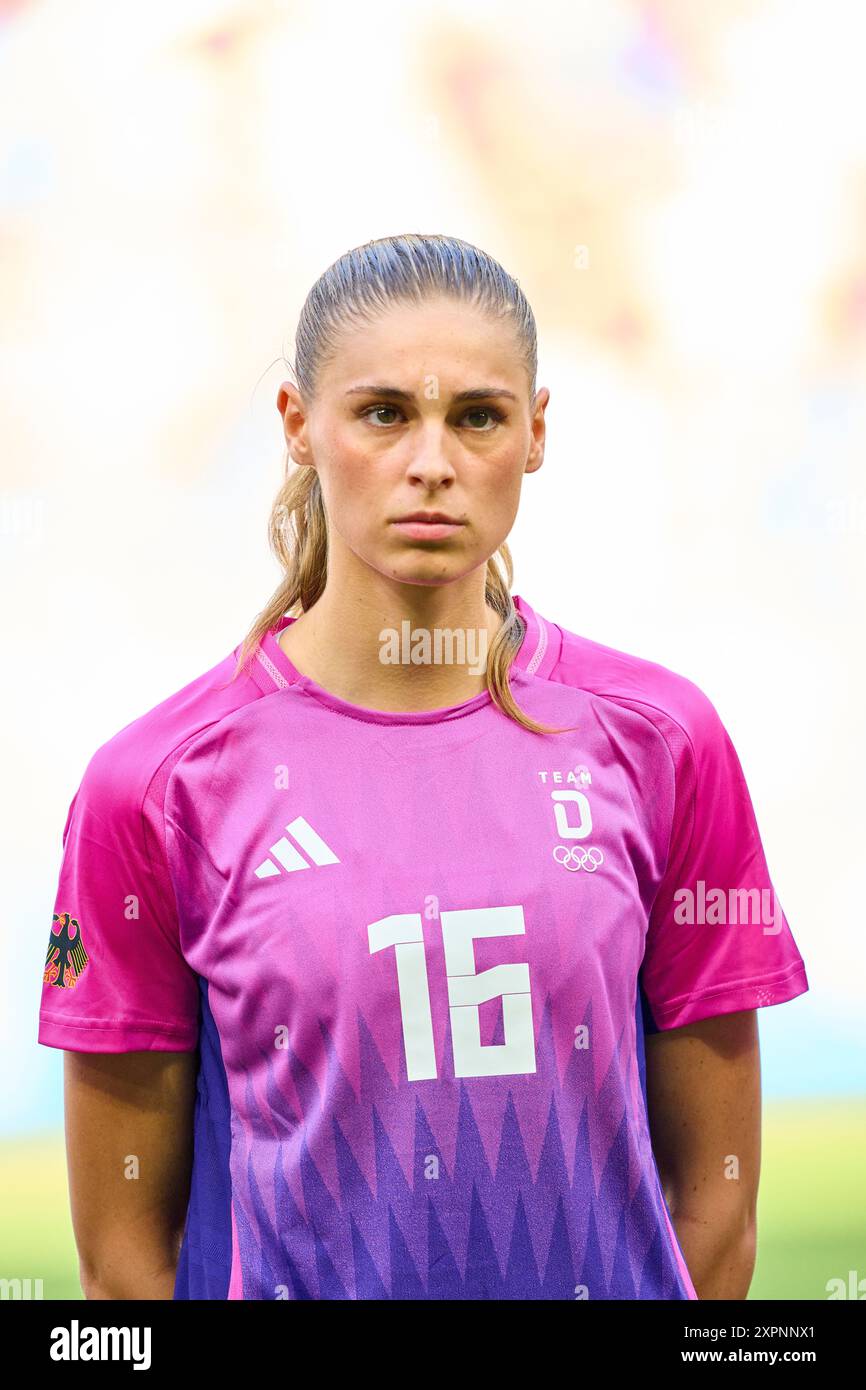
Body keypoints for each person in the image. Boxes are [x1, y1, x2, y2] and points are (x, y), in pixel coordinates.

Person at [37, 233, 808, 1301]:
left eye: (477, 416)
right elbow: (124, 1257)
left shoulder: (662, 740)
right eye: (385, 412)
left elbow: (715, 1210)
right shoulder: (158, 787)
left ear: (534, 432)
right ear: (300, 427)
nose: (432, 460)